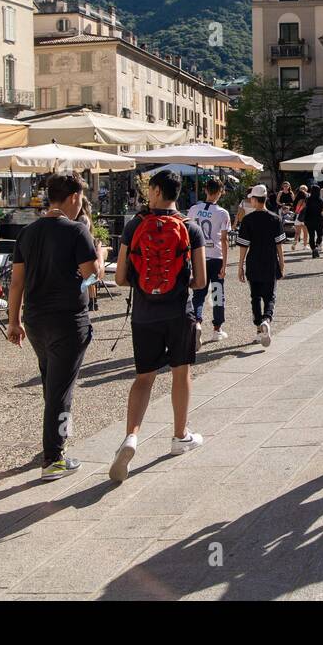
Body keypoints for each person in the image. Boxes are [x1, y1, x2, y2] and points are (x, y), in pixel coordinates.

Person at [110, 169, 208, 481]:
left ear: (154, 190)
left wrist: (147, 285)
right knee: (182, 372)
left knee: (143, 379)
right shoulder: (190, 226)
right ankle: (180, 436)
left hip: (144, 314)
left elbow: (120, 277)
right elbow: (201, 280)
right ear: (177, 194)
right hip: (179, 311)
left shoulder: (135, 225)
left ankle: (131, 437)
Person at [7, 172, 99, 481]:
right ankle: (54, 457)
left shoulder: (28, 232)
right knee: (62, 389)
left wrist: (13, 320)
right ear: (74, 197)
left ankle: (56, 437)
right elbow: (91, 278)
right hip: (68, 319)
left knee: (52, 382)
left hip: (35, 319)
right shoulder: (76, 231)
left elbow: (16, 281)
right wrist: (92, 270)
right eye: (80, 200)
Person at [236, 183, 285, 347]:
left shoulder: (248, 220)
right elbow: (279, 245)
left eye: (252, 200)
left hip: (253, 262)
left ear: (256, 200)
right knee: (270, 295)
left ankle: (258, 328)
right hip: (270, 261)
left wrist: (240, 266)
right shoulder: (275, 219)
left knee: (255, 296)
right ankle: (266, 319)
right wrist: (282, 263)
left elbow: (244, 246)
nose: (251, 202)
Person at [187, 176, 231, 344]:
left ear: (205, 190)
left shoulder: (193, 209)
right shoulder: (222, 213)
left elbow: (188, 234)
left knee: (198, 293)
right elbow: (224, 240)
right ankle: (217, 328)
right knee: (217, 294)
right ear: (220, 193)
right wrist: (225, 265)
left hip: (199, 256)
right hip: (217, 256)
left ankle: (197, 322)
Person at [302, 183, 323, 257]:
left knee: (311, 235)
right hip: (319, 220)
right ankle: (316, 246)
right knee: (320, 235)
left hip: (309, 220)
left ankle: (313, 249)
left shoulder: (307, 200)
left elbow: (304, 208)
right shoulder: (320, 200)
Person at [291, 185, 308, 251]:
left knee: (297, 233)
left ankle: (294, 245)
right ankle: (305, 246)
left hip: (297, 217)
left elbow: (296, 210)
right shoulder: (305, 200)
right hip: (304, 217)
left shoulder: (296, 199)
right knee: (305, 232)